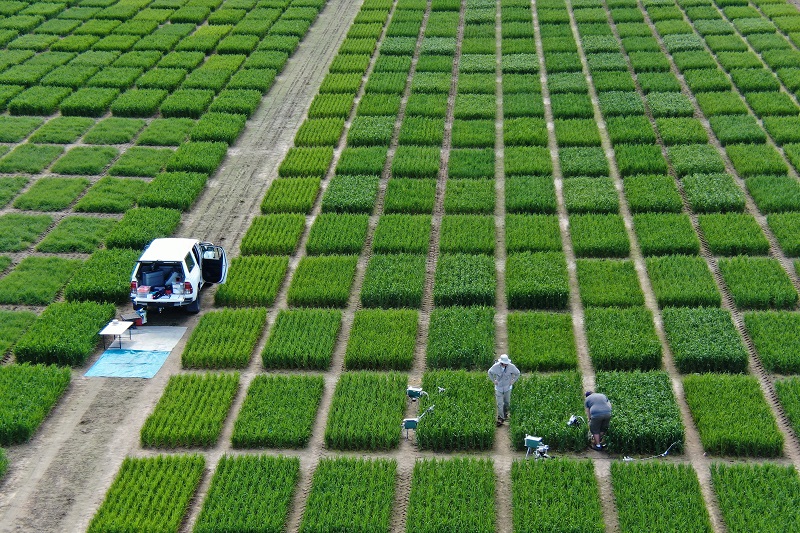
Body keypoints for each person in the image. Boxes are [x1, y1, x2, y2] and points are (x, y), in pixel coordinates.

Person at [488, 354, 520, 426]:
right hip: (498, 388)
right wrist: (494, 380)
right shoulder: (495, 367)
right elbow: (489, 372)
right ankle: (500, 418)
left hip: (507, 388)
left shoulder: (511, 367)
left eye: (506, 363)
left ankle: (505, 414)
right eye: (504, 363)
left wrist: (513, 381)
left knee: (507, 402)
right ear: (501, 362)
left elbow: (518, 373)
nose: (505, 365)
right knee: (499, 403)